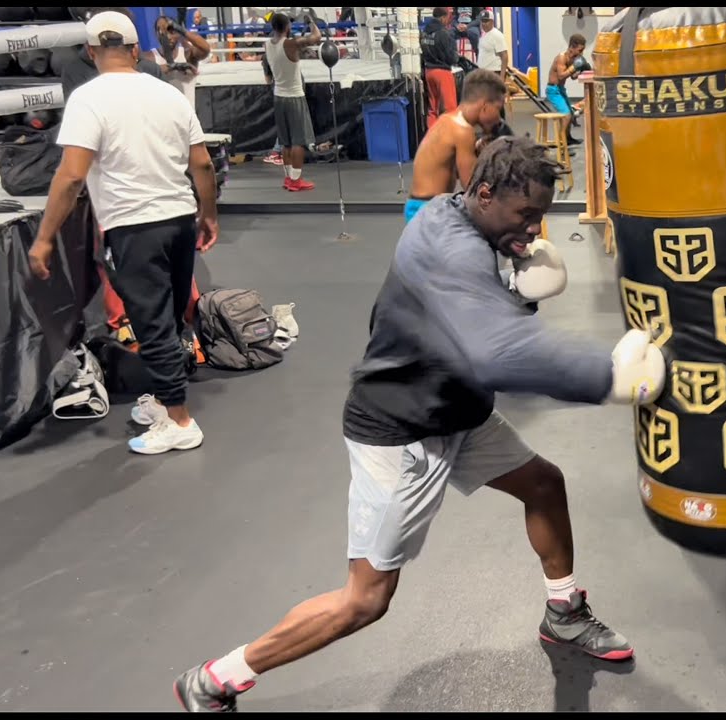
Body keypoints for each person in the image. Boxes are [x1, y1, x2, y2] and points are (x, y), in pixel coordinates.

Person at [172, 136, 666, 713]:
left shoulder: (464, 218)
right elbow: (494, 352)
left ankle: (563, 612)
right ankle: (216, 678)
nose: (535, 229)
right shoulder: (448, 247)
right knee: (365, 599)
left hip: (457, 410)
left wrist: (518, 289)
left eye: (540, 215)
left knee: (543, 484)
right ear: (485, 193)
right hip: (402, 433)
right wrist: (606, 376)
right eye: (526, 214)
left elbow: (473, 320)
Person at [28, 11, 220, 455]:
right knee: (169, 318)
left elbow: (71, 177)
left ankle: (179, 421)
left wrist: (44, 238)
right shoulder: (168, 93)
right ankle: (164, 400)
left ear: (91, 52)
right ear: (135, 51)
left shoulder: (88, 98)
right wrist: (208, 214)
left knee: (152, 323)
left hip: (134, 226)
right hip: (179, 219)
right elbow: (203, 164)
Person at [405, 69, 507, 223]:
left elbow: (453, 171)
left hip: (420, 206)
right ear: (485, 106)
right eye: (498, 109)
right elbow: (472, 188)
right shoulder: (463, 131)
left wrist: (478, 150)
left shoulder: (448, 120)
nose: (499, 119)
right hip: (429, 211)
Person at [265, 11, 322, 192]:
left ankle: (289, 177)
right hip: (294, 97)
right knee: (299, 141)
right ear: (288, 27)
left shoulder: (267, 44)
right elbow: (317, 37)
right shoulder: (290, 44)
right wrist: (311, 21)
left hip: (278, 96)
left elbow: (267, 72)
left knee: (286, 141)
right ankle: (296, 180)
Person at [153, 13, 212, 108]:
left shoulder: (186, 54)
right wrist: (174, 66)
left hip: (187, 115)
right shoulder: (151, 56)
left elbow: (206, 49)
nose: (168, 37)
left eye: (172, 32)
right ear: (156, 34)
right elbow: (144, 69)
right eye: (163, 33)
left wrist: (181, 30)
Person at [421, 7, 460, 127]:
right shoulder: (444, 34)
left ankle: (432, 134)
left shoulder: (425, 32)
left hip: (429, 71)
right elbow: (452, 58)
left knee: (433, 108)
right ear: (443, 17)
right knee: (450, 108)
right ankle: (450, 135)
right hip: (442, 72)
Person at [545, 34, 585, 145]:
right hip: (553, 91)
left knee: (571, 114)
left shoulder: (572, 59)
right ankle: (560, 142)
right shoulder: (561, 58)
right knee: (566, 115)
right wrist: (574, 67)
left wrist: (580, 71)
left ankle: (567, 138)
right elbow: (561, 76)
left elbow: (572, 77)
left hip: (560, 89)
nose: (581, 53)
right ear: (572, 47)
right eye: (580, 50)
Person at [476, 10, 509, 76]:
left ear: (492, 21)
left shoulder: (497, 35)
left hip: (494, 73)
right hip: (483, 73)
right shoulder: (483, 35)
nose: (483, 24)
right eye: (482, 21)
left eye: (486, 21)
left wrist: (502, 77)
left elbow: (504, 56)